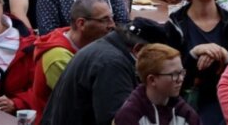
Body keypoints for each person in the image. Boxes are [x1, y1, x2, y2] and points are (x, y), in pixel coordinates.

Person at [42, 17, 186, 125]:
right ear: (138, 49)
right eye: (161, 57)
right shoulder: (112, 65)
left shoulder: (111, 48)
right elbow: (118, 120)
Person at [24, 0, 116, 119]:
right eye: (104, 20)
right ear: (81, 24)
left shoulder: (83, 41)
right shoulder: (57, 56)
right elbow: (84, 102)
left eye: (111, 18)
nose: (112, 25)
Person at [112, 41, 203, 125]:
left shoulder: (186, 114)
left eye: (182, 72)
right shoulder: (129, 116)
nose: (181, 79)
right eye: (174, 74)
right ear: (152, 80)